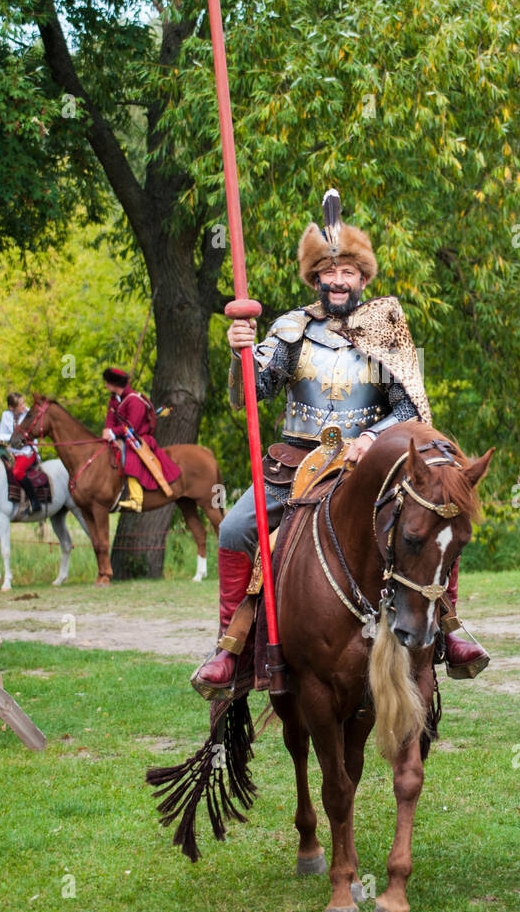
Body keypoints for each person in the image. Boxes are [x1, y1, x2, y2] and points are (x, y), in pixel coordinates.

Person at [194, 189, 489, 696]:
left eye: (348, 272)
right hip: (296, 462)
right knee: (235, 529)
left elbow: (410, 407)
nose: (337, 281)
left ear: (362, 278)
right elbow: (250, 397)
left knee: (436, 513)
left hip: (371, 466)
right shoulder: (291, 329)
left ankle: (448, 629)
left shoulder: (386, 328)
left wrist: (371, 437)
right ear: (315, 279)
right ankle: (233, 649)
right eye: (328, 273)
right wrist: (239, 353)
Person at [101, 370, 181, 511]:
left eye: (108, 382)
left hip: (137, 438)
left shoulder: (135, 401)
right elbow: (110, 419)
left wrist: (113, 432)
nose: (106, 386)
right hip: (121, 437)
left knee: (131, 456)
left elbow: (132, 427)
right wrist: (107, 431)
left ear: (115, 384)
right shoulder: (114, 400)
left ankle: (136, 500)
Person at [0, 392, 44, 513]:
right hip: (11, 452)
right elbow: (0, 434)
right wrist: (6, 439)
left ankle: (34, 501)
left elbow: (23, 436)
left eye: (23, 403)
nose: (24, 406)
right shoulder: (6, 415)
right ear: (11, 408)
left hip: (27, 452)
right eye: (20, 405)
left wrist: (9, 438)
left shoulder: (29, 414)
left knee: (17, 472)